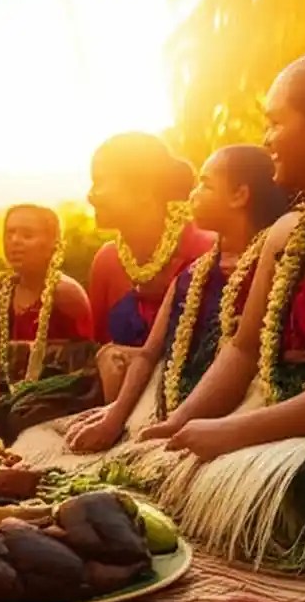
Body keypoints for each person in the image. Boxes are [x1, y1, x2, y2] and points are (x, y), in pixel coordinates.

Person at [139, 50, 305, 585]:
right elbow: (244, 348)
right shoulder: (286, 235)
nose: (267, 138)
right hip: (294, 407)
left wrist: (236, 433)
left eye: (275, 121)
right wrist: (181, 423)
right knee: (181, 472)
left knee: (300, 504)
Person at [10, 145, 290, 468]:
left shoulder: (267, 266)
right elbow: (147, 353)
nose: (192, 195)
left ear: (240, 195)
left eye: (205, 184)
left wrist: (174, 420)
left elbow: (243, 352)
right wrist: (113, 417)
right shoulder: (192, 275)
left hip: (234, 407)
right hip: (163, 400)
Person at [0, 205, 98, 442]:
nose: (15, 241)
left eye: (27, 235)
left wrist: (30, 394)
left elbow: (84, 363)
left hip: (57, 391)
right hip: (9, 386)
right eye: (9, 234)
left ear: (53, 244)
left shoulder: (64, 293)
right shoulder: (5, 288)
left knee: (14, 417)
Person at [83, 133, 216, 403]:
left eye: (99, 182)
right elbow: (98, 350)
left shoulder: (207, 251)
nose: (90, 195)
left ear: (143, 191)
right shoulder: (107, 261)